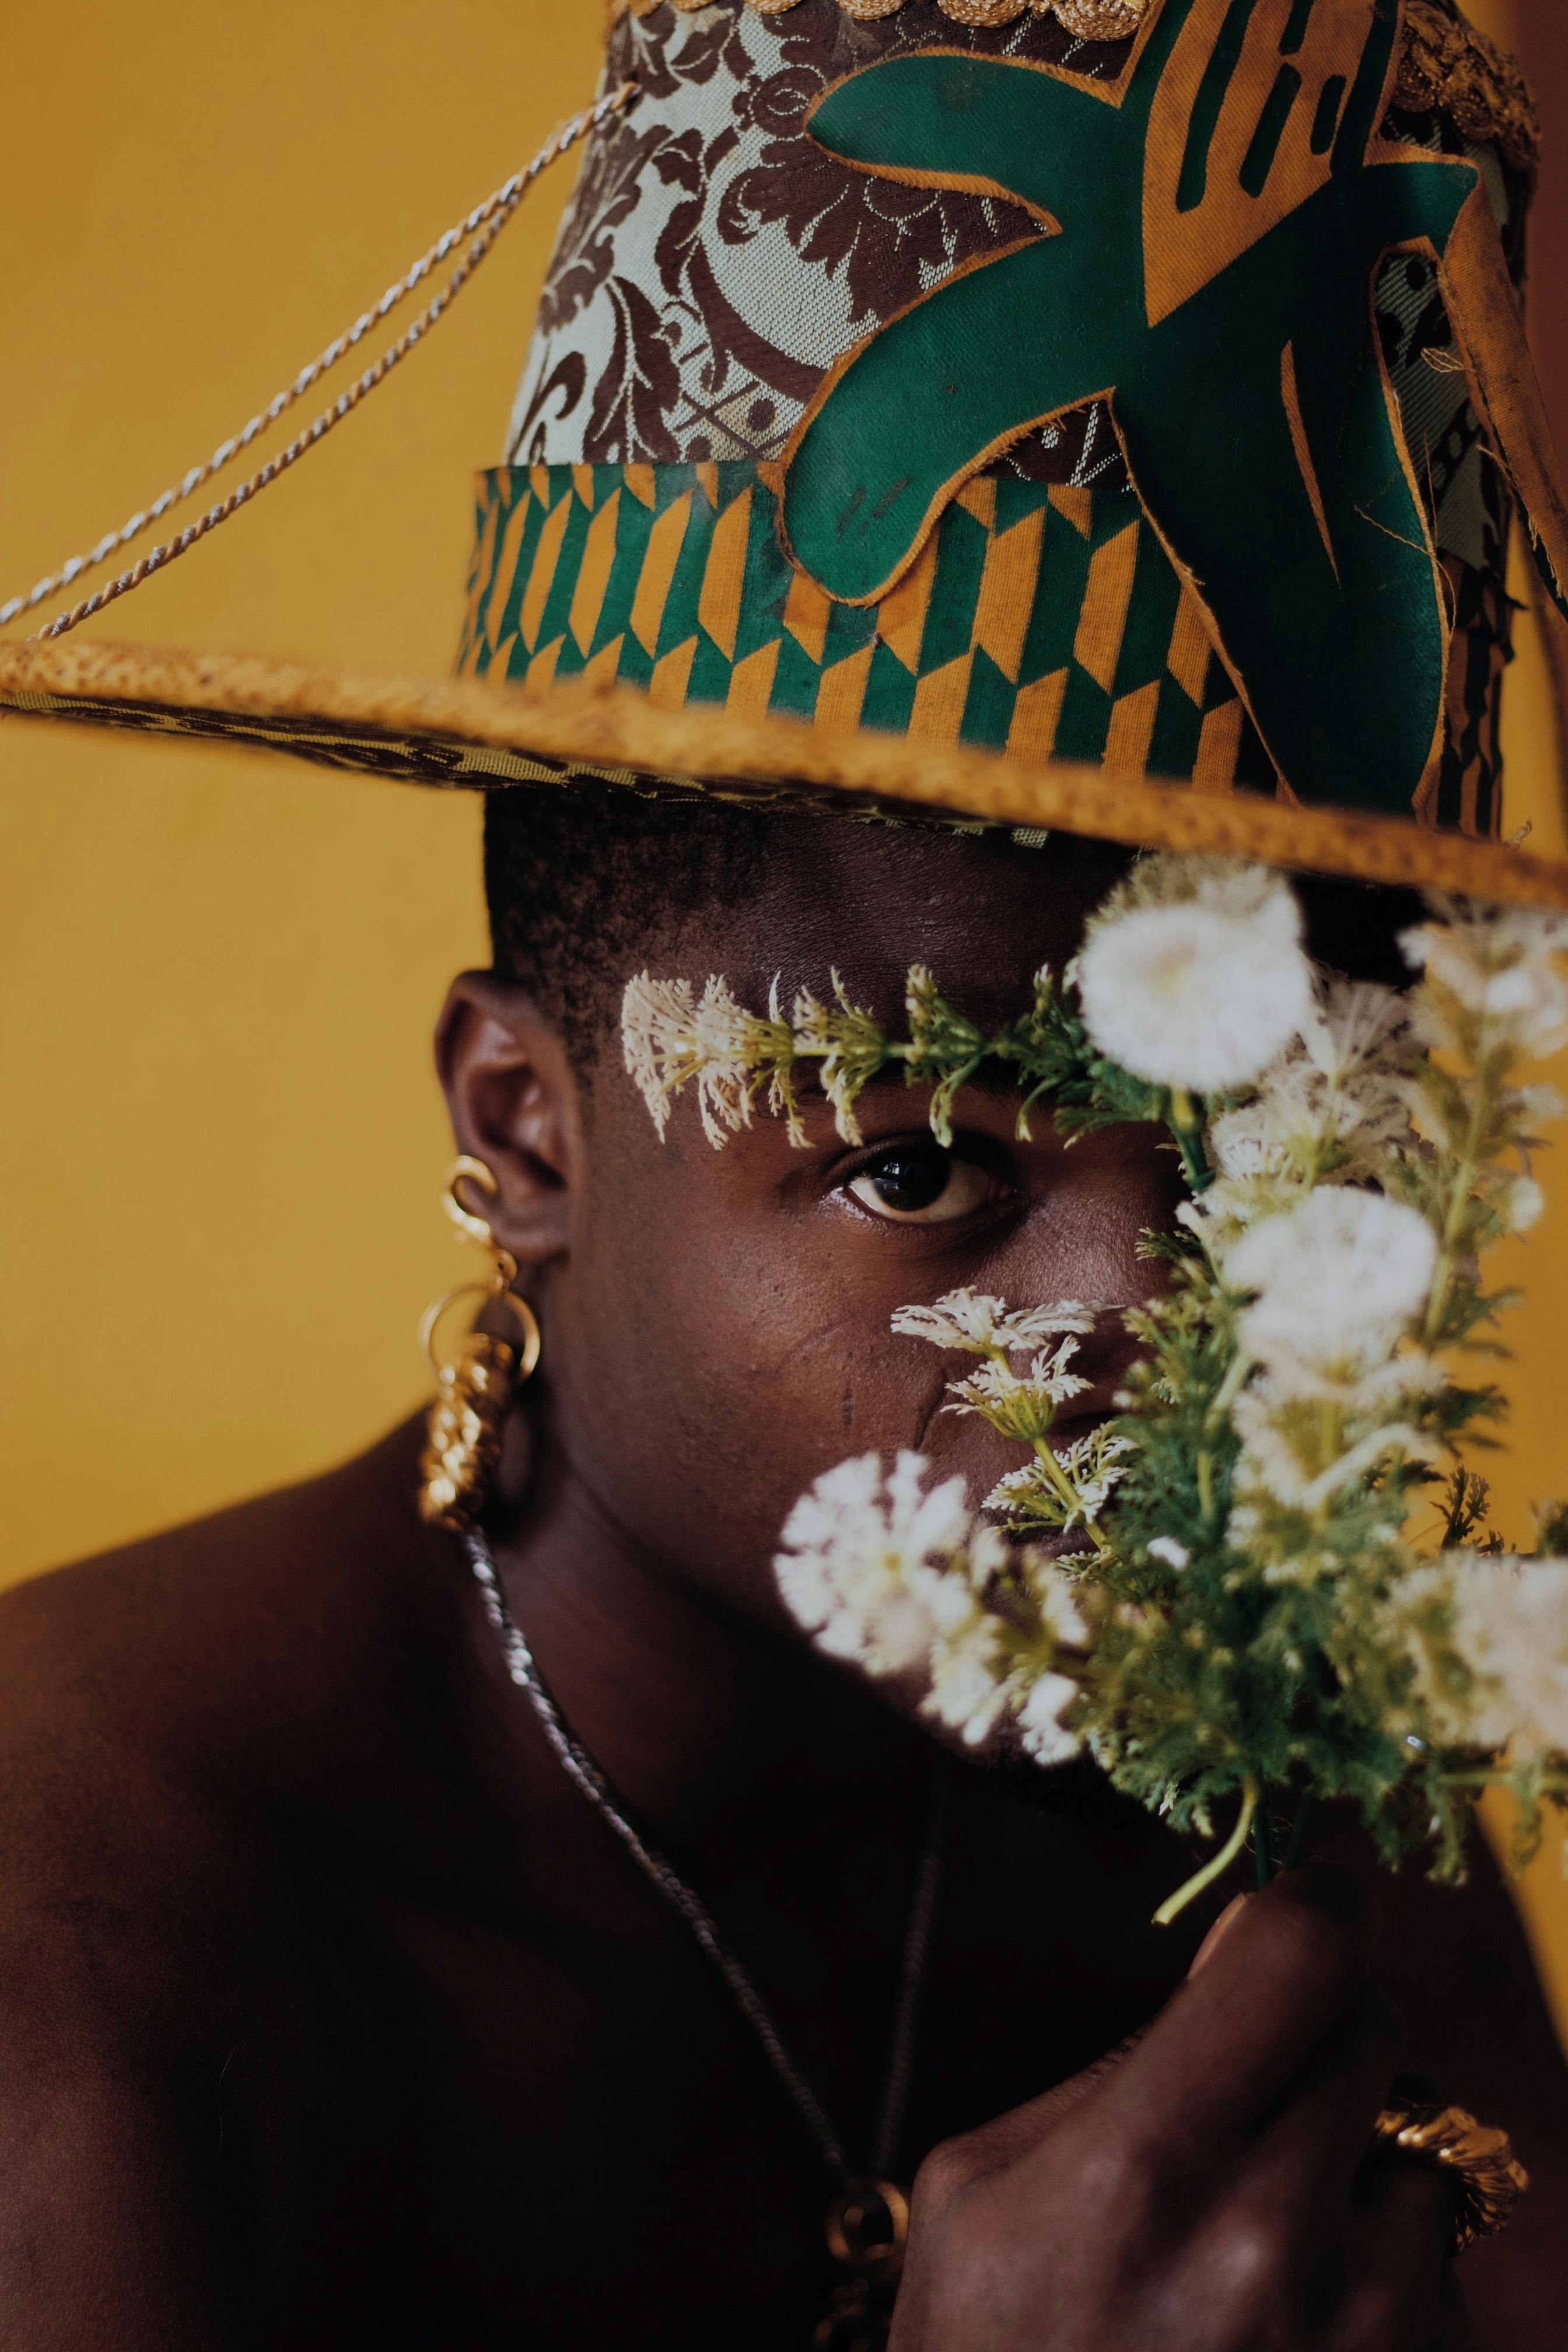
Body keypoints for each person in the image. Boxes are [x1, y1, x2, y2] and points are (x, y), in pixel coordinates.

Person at [1, 2, 1565, 2346]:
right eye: (926, 1162)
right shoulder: (89, 1964)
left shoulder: (1296, 1807)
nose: (1162, 1331)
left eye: (1285, 1143)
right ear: (525, 1132)